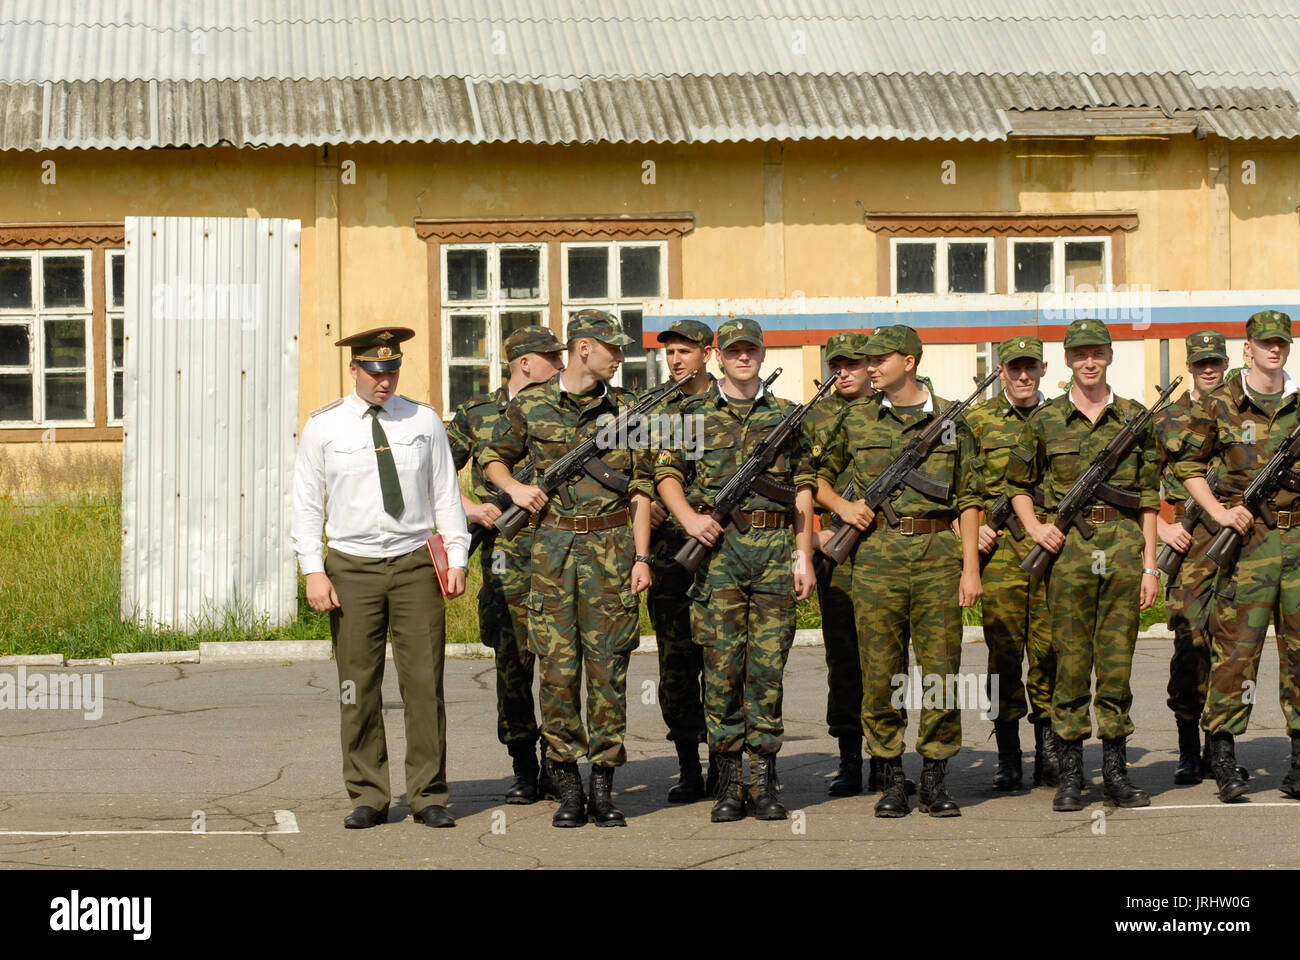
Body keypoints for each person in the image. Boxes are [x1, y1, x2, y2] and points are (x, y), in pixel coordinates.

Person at [481, 309, 654, 828]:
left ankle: (603, 787)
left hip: (612, 552)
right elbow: (491, 456)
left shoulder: (631, 411)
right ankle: (568, 788)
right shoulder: (531, 405)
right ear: (583, 348)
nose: (620, 357)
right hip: (551, 554)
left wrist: (643, 557)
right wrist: (515, 488)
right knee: (557, 675)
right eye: (612, 348)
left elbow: (643, 488)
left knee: (608, 672)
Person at [291, 326, 469, 829]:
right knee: (357, 685)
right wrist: (313, 570)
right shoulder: (323, 427)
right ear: (354, 370)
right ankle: (368, 793)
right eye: (374, 372)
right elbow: (306, 504)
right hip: (350, 566)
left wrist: (456, 557)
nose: (384, 381)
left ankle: (428, 794)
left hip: (415, 563)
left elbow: (445, 494)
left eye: (391, 371)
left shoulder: (424, 420)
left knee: (423, 684)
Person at [816, 324, 984, 818]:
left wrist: (970, 568)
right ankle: (890, 774)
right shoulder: (854, 420)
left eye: (880, 358)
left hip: (937, 554)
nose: (869, 367)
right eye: (866, 360)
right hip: (876, 558)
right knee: (880, 672)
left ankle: (935, 777)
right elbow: (816, 479)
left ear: (909, 360)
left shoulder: (953, 420)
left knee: (940, 670)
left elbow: (969, 499)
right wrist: (843, 511)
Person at [653, 317, 816, 822]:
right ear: (718, 355)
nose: (744, 358)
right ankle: (728, 783)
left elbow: (805, 488)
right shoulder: (691, 415)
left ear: (762, 355)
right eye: (735, 350)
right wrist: (689, 518)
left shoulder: (788, 415)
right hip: (719, 560)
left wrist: (803, 553)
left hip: (772, 556)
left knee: (766, 674)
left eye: (752, 350)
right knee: (721, 672)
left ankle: (763, 781)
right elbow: (665, 475)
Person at [1006, 318, 1160, 812]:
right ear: (1068, 360)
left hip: (1122, 549)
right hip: (1069, 552)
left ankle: (1115, 771)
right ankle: (1071, 774)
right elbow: (1018, 485)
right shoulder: (1046, 420)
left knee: (1116, 667)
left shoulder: (1134, 417)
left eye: (1097, 353)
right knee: (1069, 664)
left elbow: (1150, 498)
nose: (1089, 362)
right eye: (1080, 354)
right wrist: (1033, 527)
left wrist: (1150, 566)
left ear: (1110, 356)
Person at [1173, 310, 1300, 803]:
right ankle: (1222, 757)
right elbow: (1187, 463)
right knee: (1235, 653)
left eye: (1281, 343)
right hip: (1248, 546)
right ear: (1246, 348)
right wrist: (1220, 514)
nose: (1274, 350)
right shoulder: (1223, 403)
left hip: (1298, 542)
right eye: (1265, 343)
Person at [446, 325, 564, 804]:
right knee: (513, 666)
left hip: (561, 554)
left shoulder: (566, 410)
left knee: (562, 665)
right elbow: (428, 473)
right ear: (526, 363)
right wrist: (469, 509)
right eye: (553, 358)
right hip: (505, 559)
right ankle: (523, 767)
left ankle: (561, 764)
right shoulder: (477, 414)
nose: (561, 366)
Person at [1153, 330, 1243, 784]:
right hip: (1187, 544)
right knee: (1190, 645)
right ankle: (1189, 749)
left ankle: (1221, 749)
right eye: (1200, 362)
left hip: (1236, 541)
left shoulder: (1239, 413)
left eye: (1216, 361)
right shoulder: (1168, 418)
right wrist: (1163, 528)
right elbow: (1140, 484)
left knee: (1231, 646)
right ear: (1188, 366)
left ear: (1226, 363)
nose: (1209, 369)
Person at [967, 336, 1057, 791]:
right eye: (1013, 368)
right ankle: (1007, 755)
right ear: (1000, 370)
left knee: (1049, 652)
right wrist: (972, 527)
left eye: (1030, 368)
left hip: (1051, 552)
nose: (1022, 376)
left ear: (1043, 368)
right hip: (999, 552)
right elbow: (955, 486)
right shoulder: (976, 421)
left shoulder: (1061, 417)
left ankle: (1048, 751)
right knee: (1004, 655)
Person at [643, 318, 716, 803]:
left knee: (728, 663)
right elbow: (636, 478)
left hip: (723, 553)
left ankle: (730, 764)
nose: (675, 360)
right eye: (669, 353)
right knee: (676, 664)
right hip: (670, 554)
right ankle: (689, 765)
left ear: (707, 354)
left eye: (685, 351)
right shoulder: (651, 410)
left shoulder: (729, 403)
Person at [806, 331, 873, 796]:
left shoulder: (890, 412)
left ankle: (888, 760)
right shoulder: (814, 417)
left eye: (853, 364)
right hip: (836, 555)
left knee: (886, 660)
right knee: (844, 660)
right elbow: (797, 480)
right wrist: (815, 529)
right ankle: (850, 759)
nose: (844, 372)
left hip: (887, 554)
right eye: (837, 365)